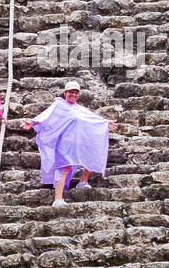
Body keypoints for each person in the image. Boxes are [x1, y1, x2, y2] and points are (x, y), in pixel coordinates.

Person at [21, 80, 117, 208]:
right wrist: (32, 123)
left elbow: (93, 119)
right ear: (65, 93)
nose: (73, 94)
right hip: (65, 144)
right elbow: (46, 117)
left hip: (79, 142)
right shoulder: (59, 106)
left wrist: (105, 123)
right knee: (64, 167)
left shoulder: (79, 109)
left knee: (94, 153)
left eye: (76, 92)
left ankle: (83, 181)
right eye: (71, 92)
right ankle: (58, 198)